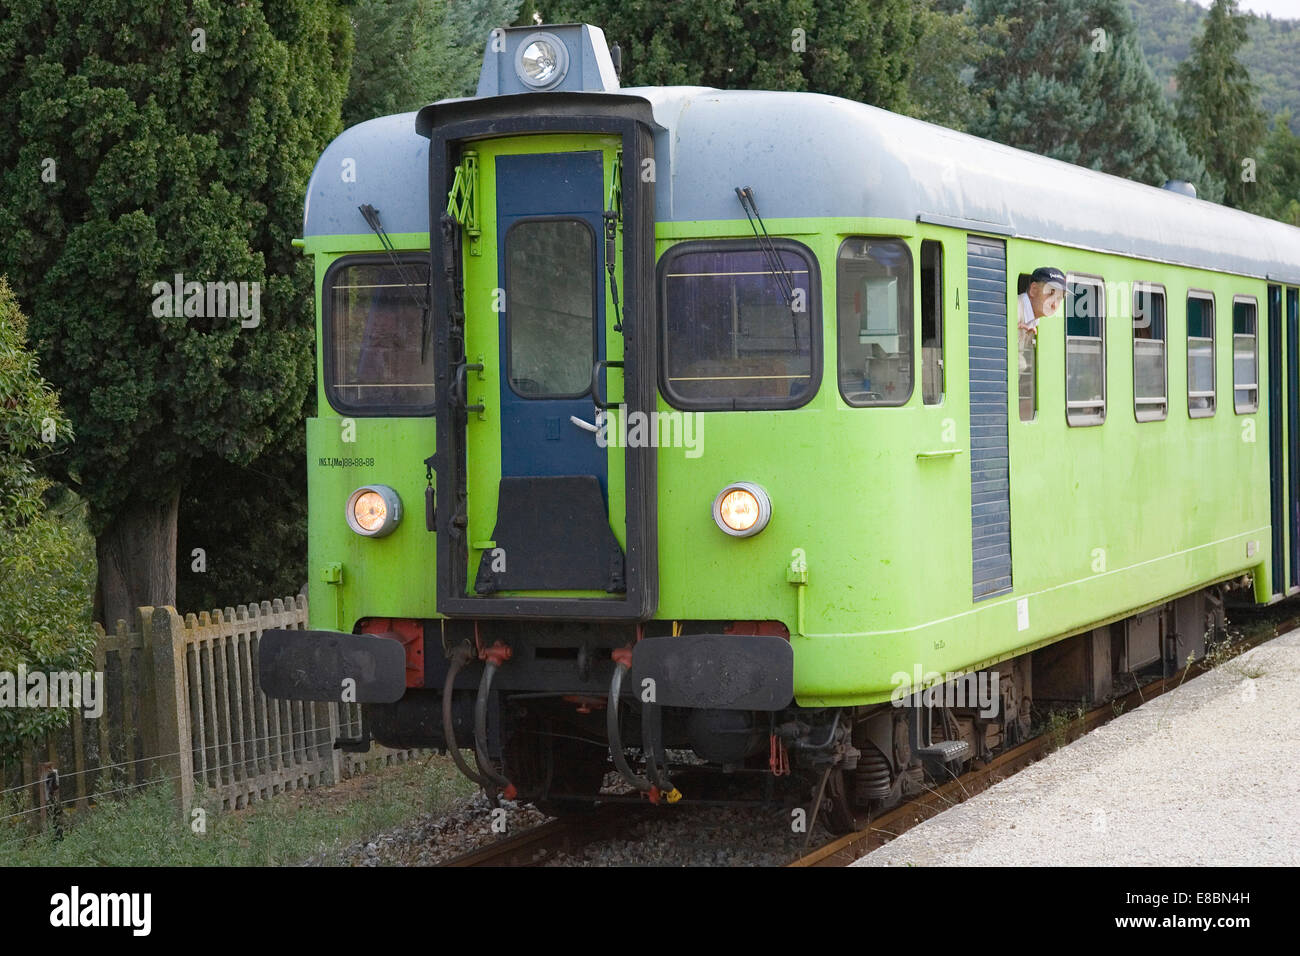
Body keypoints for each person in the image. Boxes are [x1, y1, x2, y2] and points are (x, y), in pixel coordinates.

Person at [1018, 266, 1066, 372]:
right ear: (1033, 290)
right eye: (1051, 293)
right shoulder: (1015, 310)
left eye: (1059, 298)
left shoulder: (1034, 319)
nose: (1054, 305)